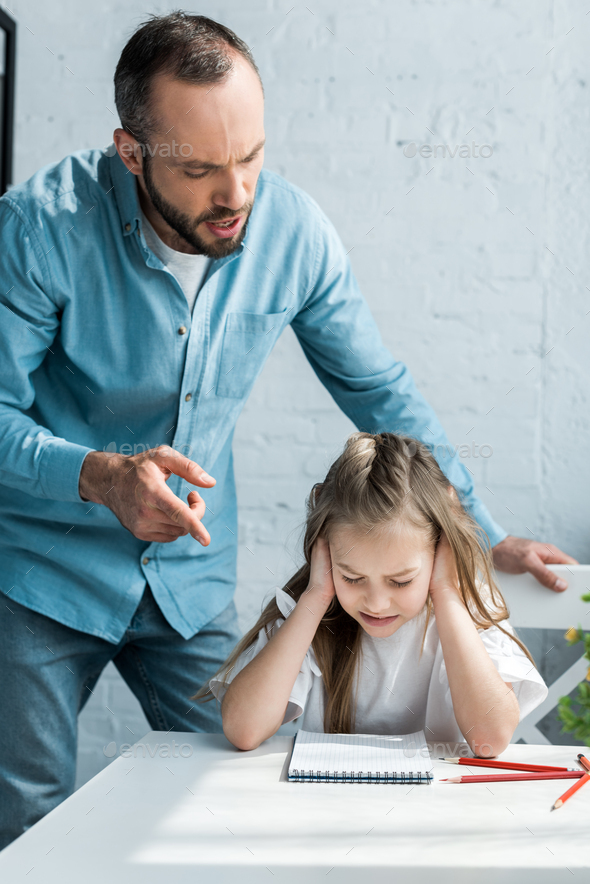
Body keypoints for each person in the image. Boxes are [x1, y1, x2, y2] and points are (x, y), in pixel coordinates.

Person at [0, 11, 572, 849]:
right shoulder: (38, 228)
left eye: (250, 157)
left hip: (187, 581)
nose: (235, 195)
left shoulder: (292, 233)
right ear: (130, 154)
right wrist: (99, 475)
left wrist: (480, 535)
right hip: (41, 575)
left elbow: (380, 389)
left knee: (237, 793)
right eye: (198, 169)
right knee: (31, 821)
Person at [196, 432, 548, 757]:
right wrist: (316, 596)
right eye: (352, 577)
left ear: (441, 546)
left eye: (400, 581)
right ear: (325, 551)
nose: (376, 603)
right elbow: (244, 730)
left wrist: (445, 592)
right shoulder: (310, 611)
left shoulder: (469, 607)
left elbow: (490, 738)